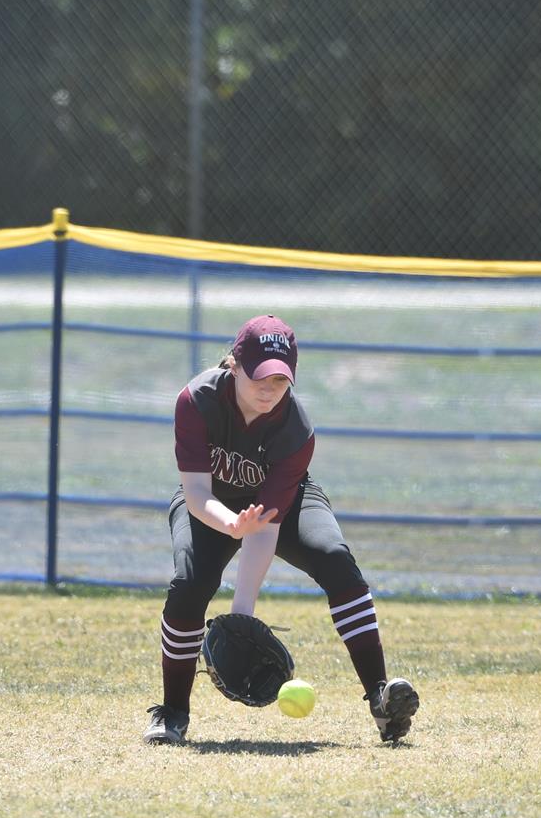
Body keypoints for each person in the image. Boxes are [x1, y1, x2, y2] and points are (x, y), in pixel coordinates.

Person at [144, 314, 420, 746]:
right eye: (259, 376)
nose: (269, 389)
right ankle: (173, 713)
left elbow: (267, 524)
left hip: (284, 505)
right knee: (189, 585)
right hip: (210, 504)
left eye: (279, 379)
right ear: (234, 364)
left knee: (335, 560)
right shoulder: (197, 400)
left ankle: (381, 700)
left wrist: (242, 614)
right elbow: (196, 493)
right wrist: (231, 524)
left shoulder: (295, 429)